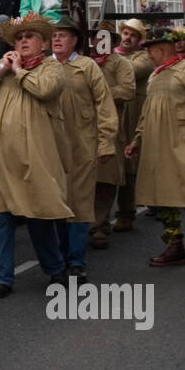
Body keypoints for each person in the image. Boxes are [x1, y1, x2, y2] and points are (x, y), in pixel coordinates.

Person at [0, 14, 72, 297]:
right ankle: (4, 277)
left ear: (43, 42)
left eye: (29, 36)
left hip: (35, 158)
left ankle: (55, 269)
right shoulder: (5, 71)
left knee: (39, 214)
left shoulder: (52, 67)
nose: (23, 41)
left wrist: (19, 72)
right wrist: (0, 69)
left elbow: (46, 89)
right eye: (19, 38)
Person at [125, 26, 185, 270]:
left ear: (161, 48)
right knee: (163, 196)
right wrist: (137, 140)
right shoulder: (156, 76)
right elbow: (146, 113)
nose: (147, 54)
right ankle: (175, 247)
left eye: (149, 50)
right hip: (157, 148)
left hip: (184, 145)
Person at [50, 17, 117, 281]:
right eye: (54, 35)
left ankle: (76, 262)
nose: (57, 39)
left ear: (75, 40)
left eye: (63, 35)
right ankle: (58, 260)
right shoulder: (43, 67)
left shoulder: (86, 66)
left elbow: (104, 104)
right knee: (55, 203)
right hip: (51, 148)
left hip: (82, 146)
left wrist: (106, 141)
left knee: (79, 203)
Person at [88, 21, 136, 247]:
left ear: (113, 42)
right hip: (84, 126)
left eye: (105, 38)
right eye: (97, 37)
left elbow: (127, 90)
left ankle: (100, 226)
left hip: (110, 124)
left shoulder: (120, 63)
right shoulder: (85, 62)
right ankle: (84, 224)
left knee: (106, 178)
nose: (100, 41)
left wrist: (100, 93)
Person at [112, 18, 152, 232]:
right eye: (125, 33)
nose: (127, 38)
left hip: (133, 116)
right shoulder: (115, 54)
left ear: (139, 40)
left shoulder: (144, 58)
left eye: (132, 35)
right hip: (113, 114)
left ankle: (126, 213)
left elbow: (129, 71)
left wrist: (110, 58)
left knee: (129, 164)